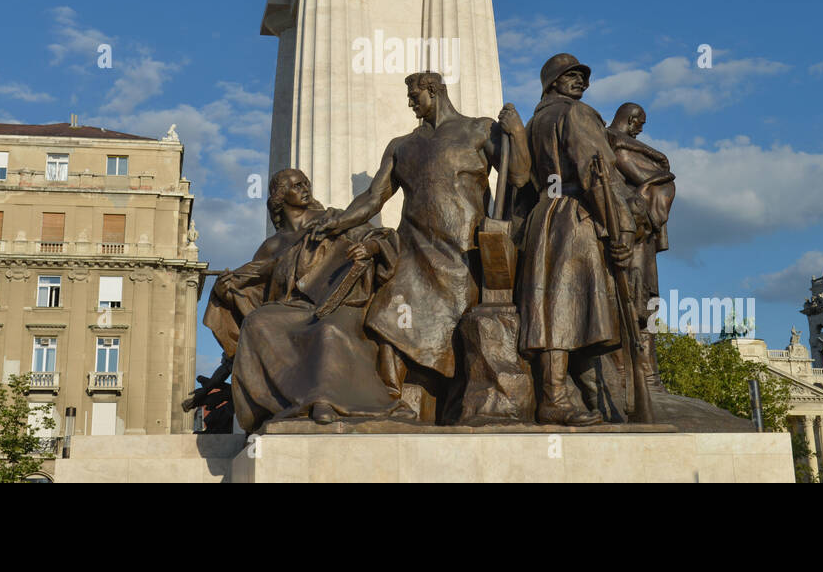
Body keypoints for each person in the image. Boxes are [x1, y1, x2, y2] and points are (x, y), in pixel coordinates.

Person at [313, 71, 530, 422]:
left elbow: (518, 176)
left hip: (463, 254)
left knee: (455, 335)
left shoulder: (479, 130)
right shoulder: (402, 145)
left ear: (435, 91)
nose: (411, 103)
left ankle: (449, 408)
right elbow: (373, 198)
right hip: (413, 251)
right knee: (386, 316)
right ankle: (390, 400)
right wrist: (336, 222)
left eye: (415, 96)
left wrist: (517, 134)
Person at [200, 169, 407, 433]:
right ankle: (279, 407)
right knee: (257, 322)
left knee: (327, 330)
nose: (305, 188)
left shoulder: (333, 220)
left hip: (341, 302)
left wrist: (370, 248)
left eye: (306, 183)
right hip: (295, 309)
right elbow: (256, 285)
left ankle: (324, 401)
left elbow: (380, 236)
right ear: (280, 196)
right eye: (297, 185)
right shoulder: (272, 246)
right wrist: (229, 289)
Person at [518, 54, 639, 425]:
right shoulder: (578, 115)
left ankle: (596, 400)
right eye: (570, 76)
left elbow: (520, 184)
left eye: (583, 77)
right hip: (575, 217)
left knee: (564, 310)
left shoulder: (533, 123)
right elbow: (598, 175)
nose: (580, 83)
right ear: (552, 81)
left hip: (543, 219)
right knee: (567, 312)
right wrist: (623, 229)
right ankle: (556, 399)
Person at [608, 102, 676, 390]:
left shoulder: (621, 146)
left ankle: (648, 377)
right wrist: (662, 170)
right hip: (630, 238)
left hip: (640, 239)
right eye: (640, 123)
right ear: (631, 119)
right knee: (633, 307)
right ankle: (636, 377)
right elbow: (645, 179)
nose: (641, 129)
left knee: (644, 308)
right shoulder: (619, 149)